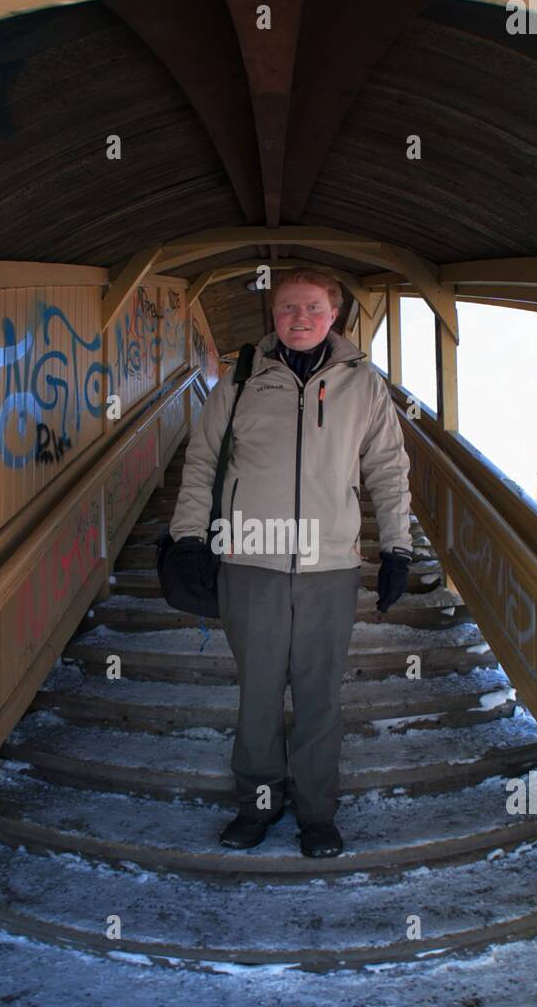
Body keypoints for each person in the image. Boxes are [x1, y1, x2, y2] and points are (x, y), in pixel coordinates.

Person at [163, 266, 415, 858]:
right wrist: (188, 538)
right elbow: (202, 461)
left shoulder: (363, 383)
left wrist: (399, 547)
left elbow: (388, 469)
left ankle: (316, 813)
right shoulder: (243, 377)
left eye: (313, 309)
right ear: (272, 316)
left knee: (319, 694)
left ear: (335, 316)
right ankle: (257, 804)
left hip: (330, 566)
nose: (299, 319)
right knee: (258, 693)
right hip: (249, 559)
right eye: (286, 309)